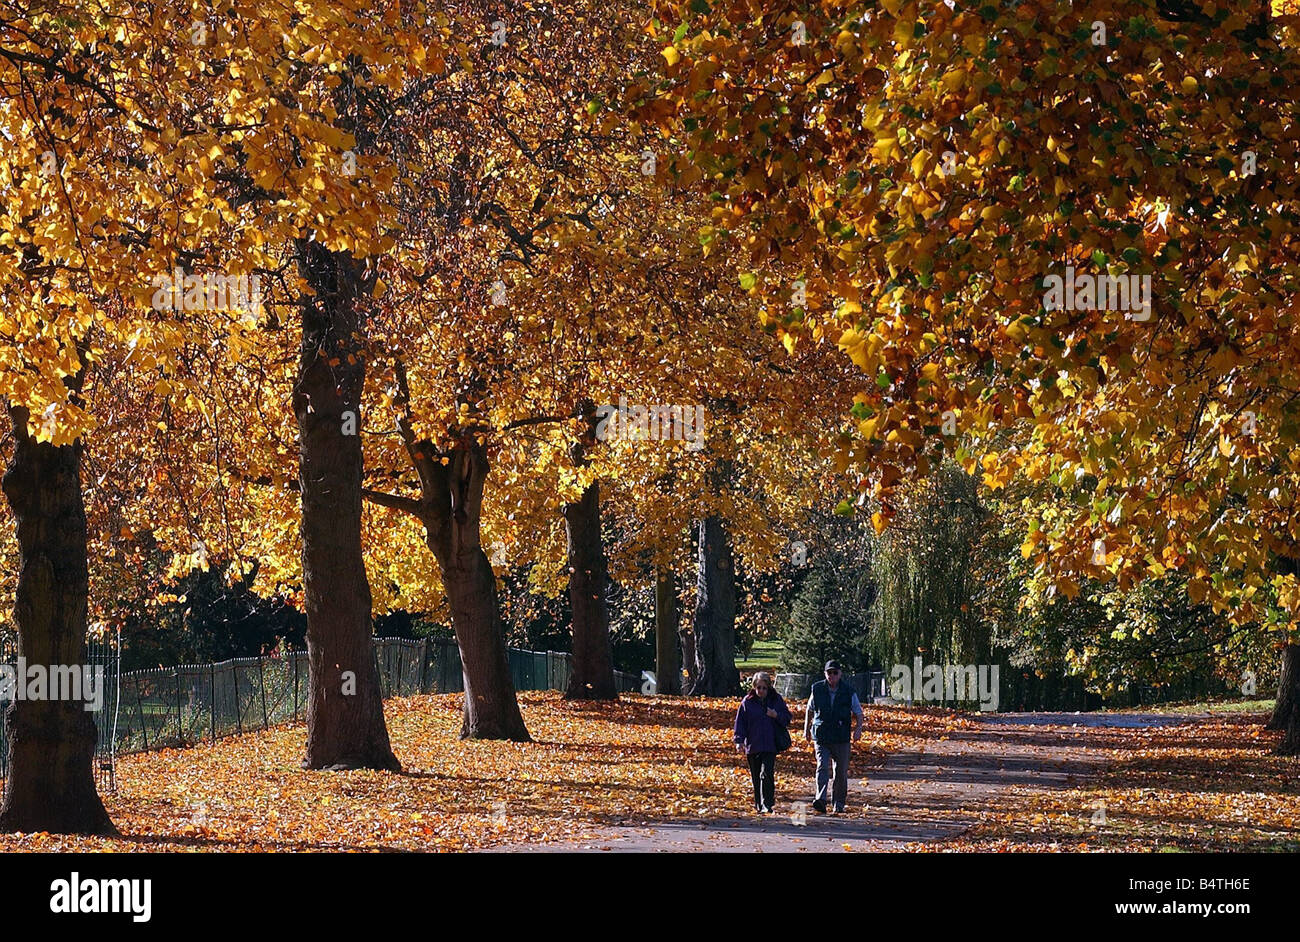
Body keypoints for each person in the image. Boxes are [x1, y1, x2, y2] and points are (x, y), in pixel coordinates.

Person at [803, 659, 864, 813]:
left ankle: (838, 802)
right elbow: (809, 710)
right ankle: (820, 799)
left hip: (841, 736)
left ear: (840, 674)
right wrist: (806, 729)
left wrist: (858, 729)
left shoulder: (848, 691)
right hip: (821, 735)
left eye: (835, 673)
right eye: (829, 673)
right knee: (822, 766)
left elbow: (858, 712)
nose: (832, 676)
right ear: (825, 674)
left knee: (840, 771)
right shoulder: (817, 689)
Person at [732, 671, 792, 813]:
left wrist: (775, 715)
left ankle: (768, 803)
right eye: (759, 687)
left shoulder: (775, 699)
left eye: (764, 688)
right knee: (756, 775)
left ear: (769, 687)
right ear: (754, 687)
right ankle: (758, 803)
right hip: (753, 744)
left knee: (766, 774)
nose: (761, 691)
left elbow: (787, 717)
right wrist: (739, 741)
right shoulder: (747, 701)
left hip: (770, 744)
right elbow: (740, 722)